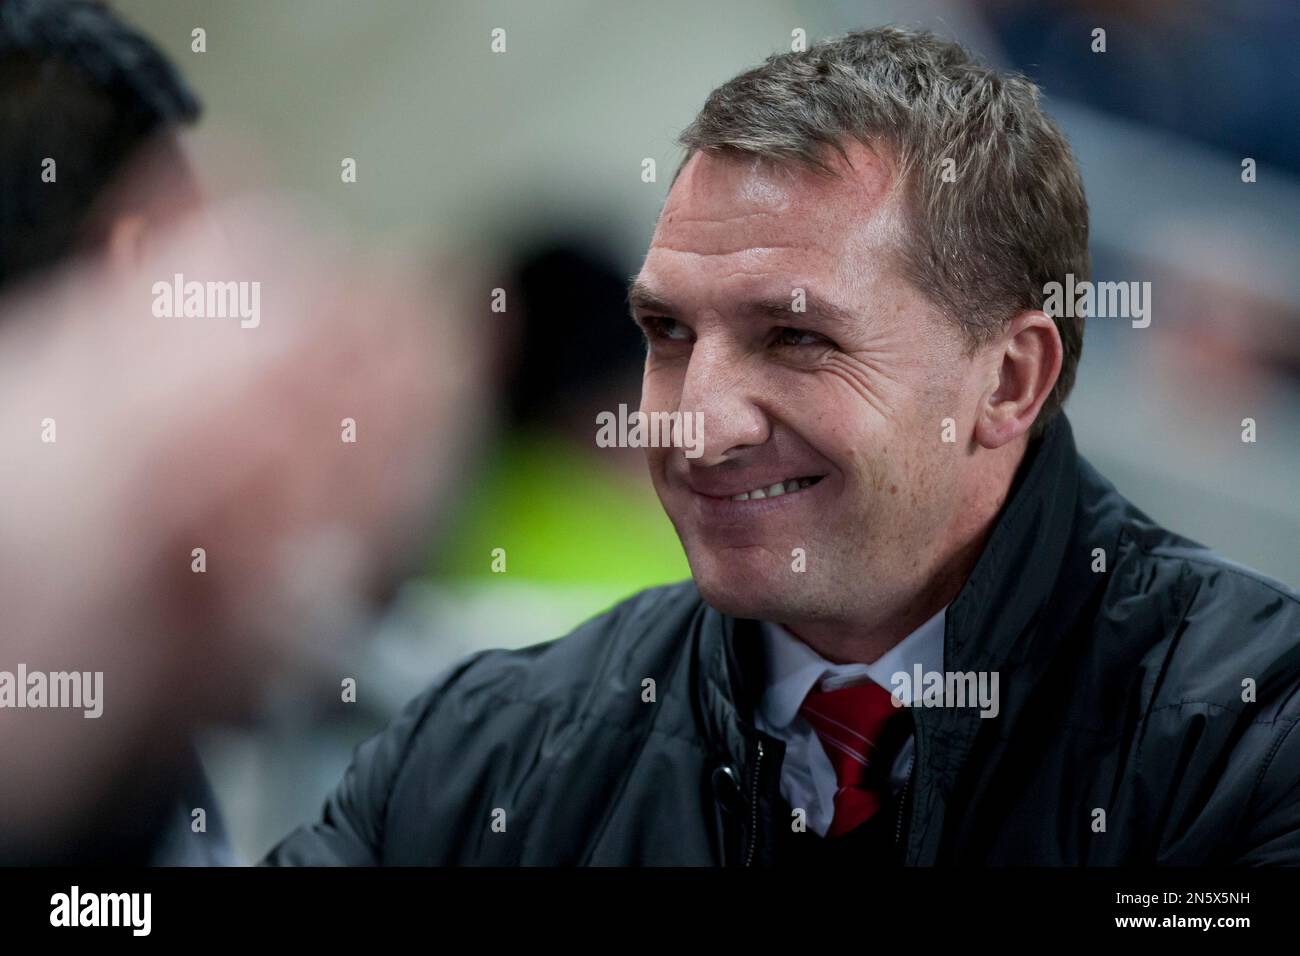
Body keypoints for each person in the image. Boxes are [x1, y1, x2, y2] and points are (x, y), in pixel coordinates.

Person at [265, 26, 1300, 866]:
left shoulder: (1254, 737)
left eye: (795, 337)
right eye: (668, 333)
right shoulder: (485, 750)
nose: (694, 423)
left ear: (1008, 379)